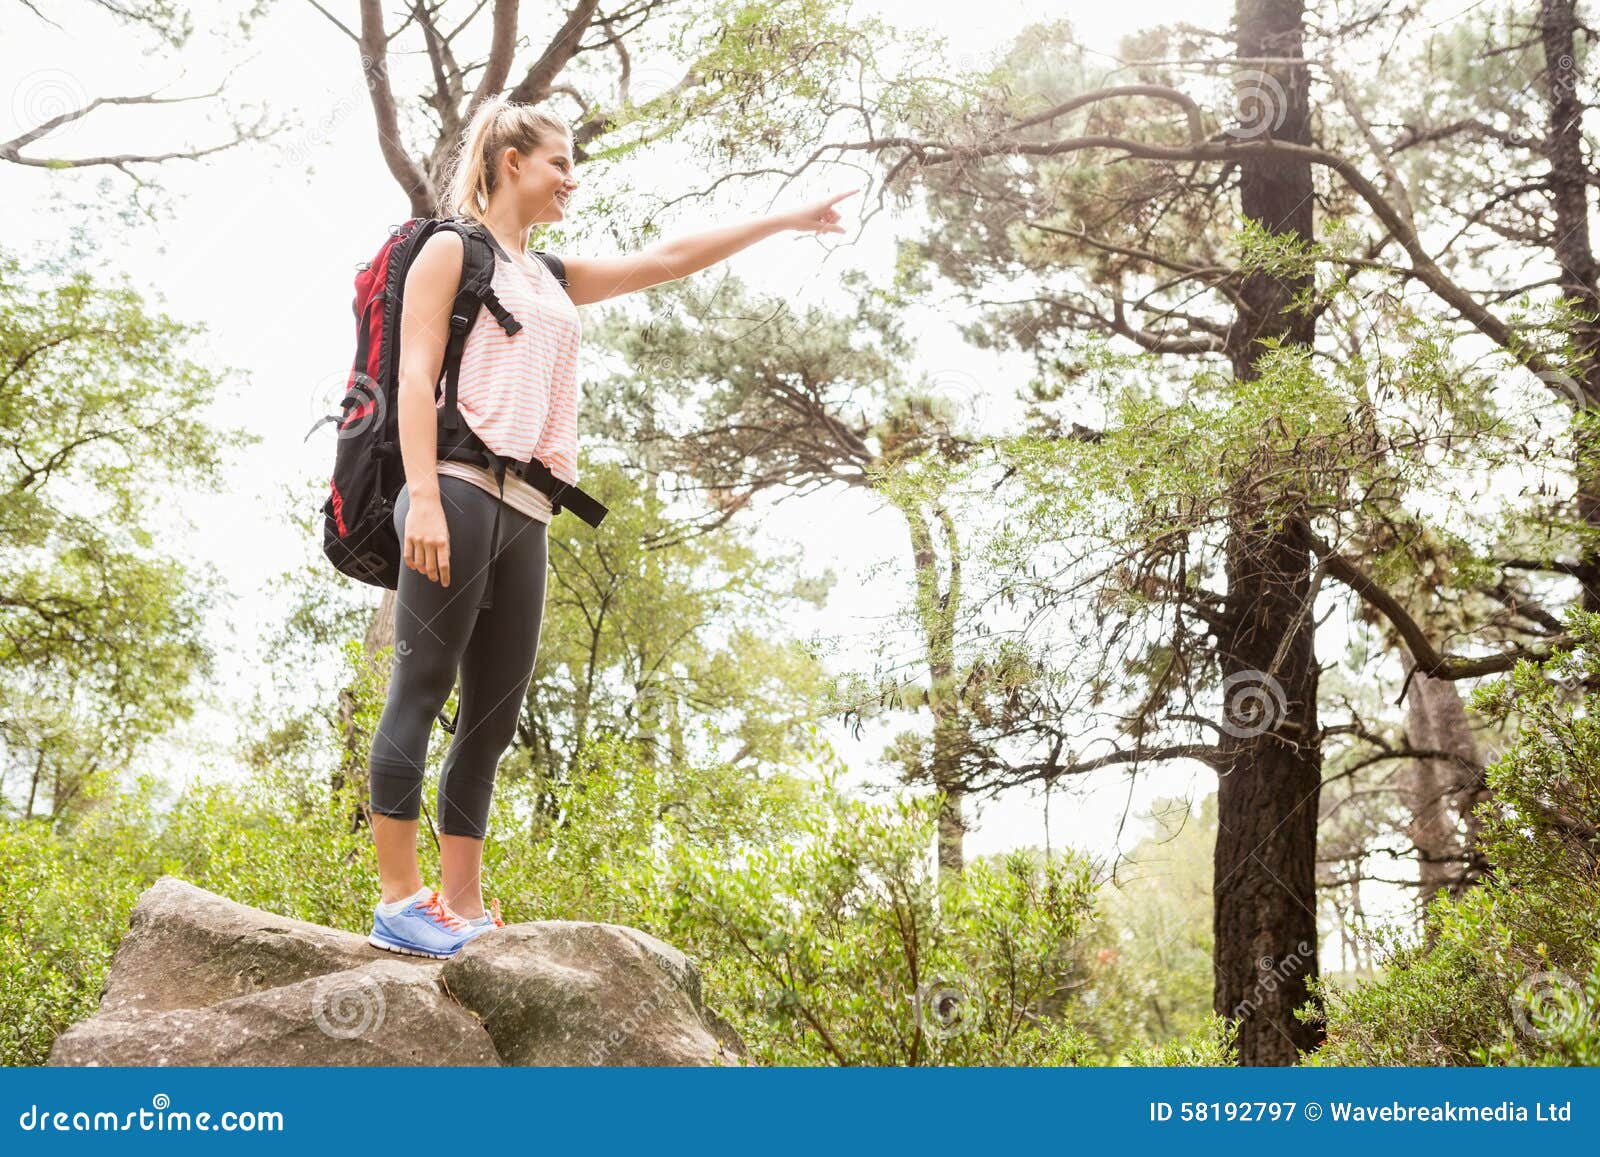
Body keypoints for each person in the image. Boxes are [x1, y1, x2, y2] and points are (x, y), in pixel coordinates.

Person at [364, 95, 857, 959]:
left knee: (493, 716)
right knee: (422, 685)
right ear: (512, 161)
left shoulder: (546, 274)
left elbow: (666, 259)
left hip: (528, 506)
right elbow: (412, 378)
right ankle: (400, 900)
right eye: (559, 162)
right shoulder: (451, 247)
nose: (571, 178)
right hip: (455, 483)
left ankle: (462, 904)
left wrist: (784, 218)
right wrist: (426, 498)